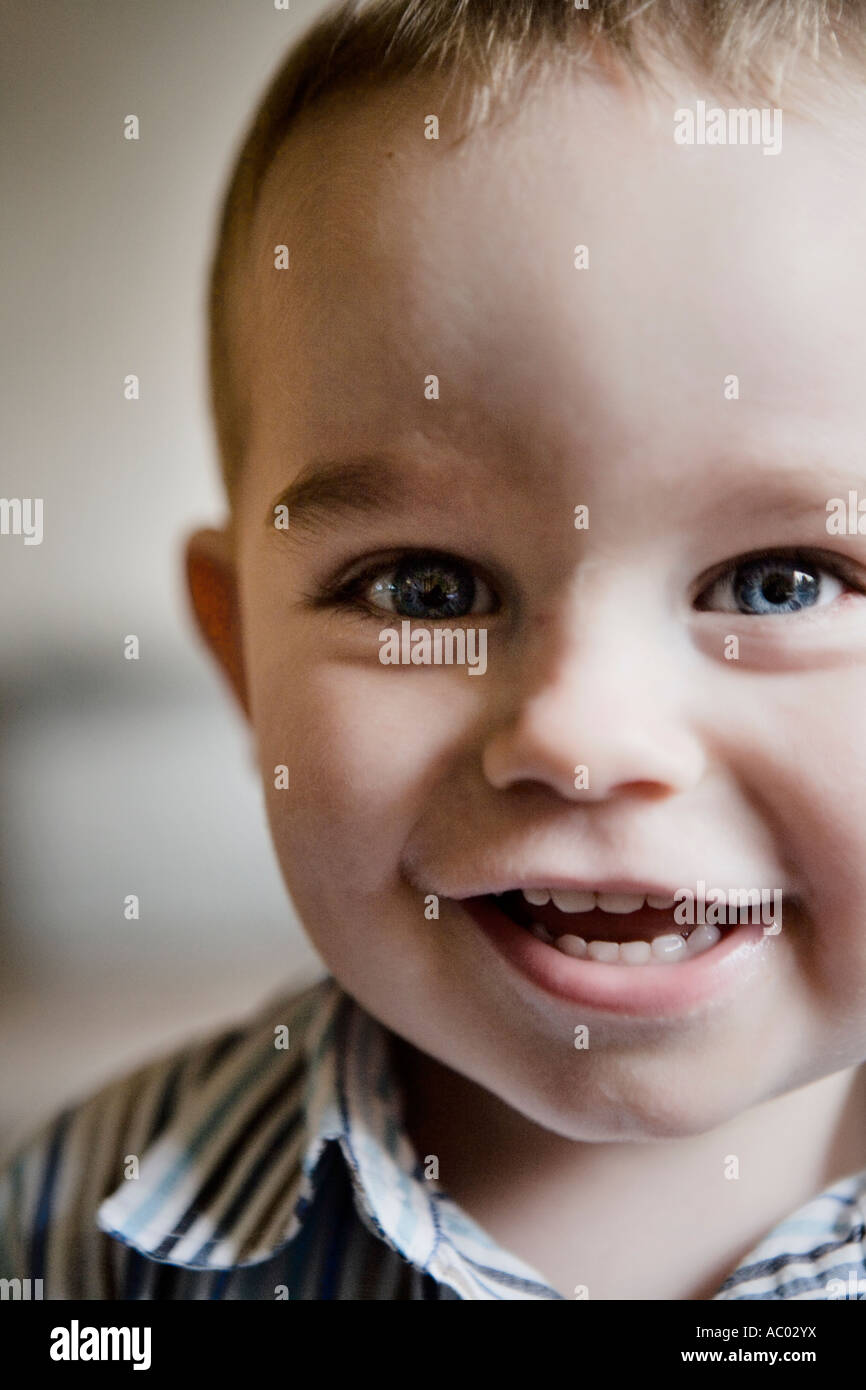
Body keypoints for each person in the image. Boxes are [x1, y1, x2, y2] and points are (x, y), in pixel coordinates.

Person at [3, 0, 866, 1300]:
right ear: (241, 660)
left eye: (779, 580)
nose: (580, 731)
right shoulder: (86, 1242)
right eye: (422, 587)